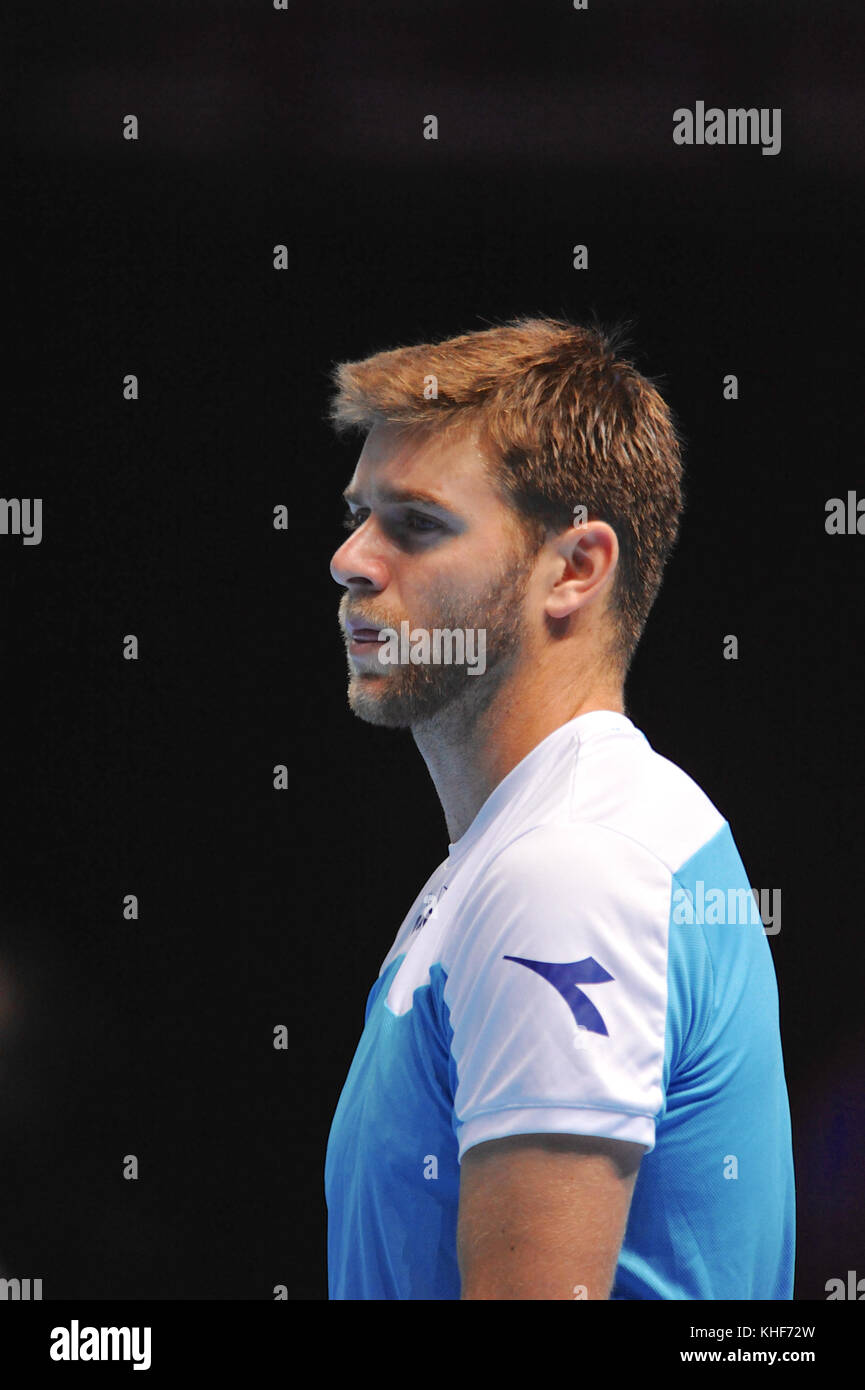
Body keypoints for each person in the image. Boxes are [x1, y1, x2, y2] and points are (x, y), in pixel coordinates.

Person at [324, 315, 795, 1300]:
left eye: (414, 522)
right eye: (357, 514)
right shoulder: (518, 855)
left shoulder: (572, 869)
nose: (352, 560)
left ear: (573, 568)